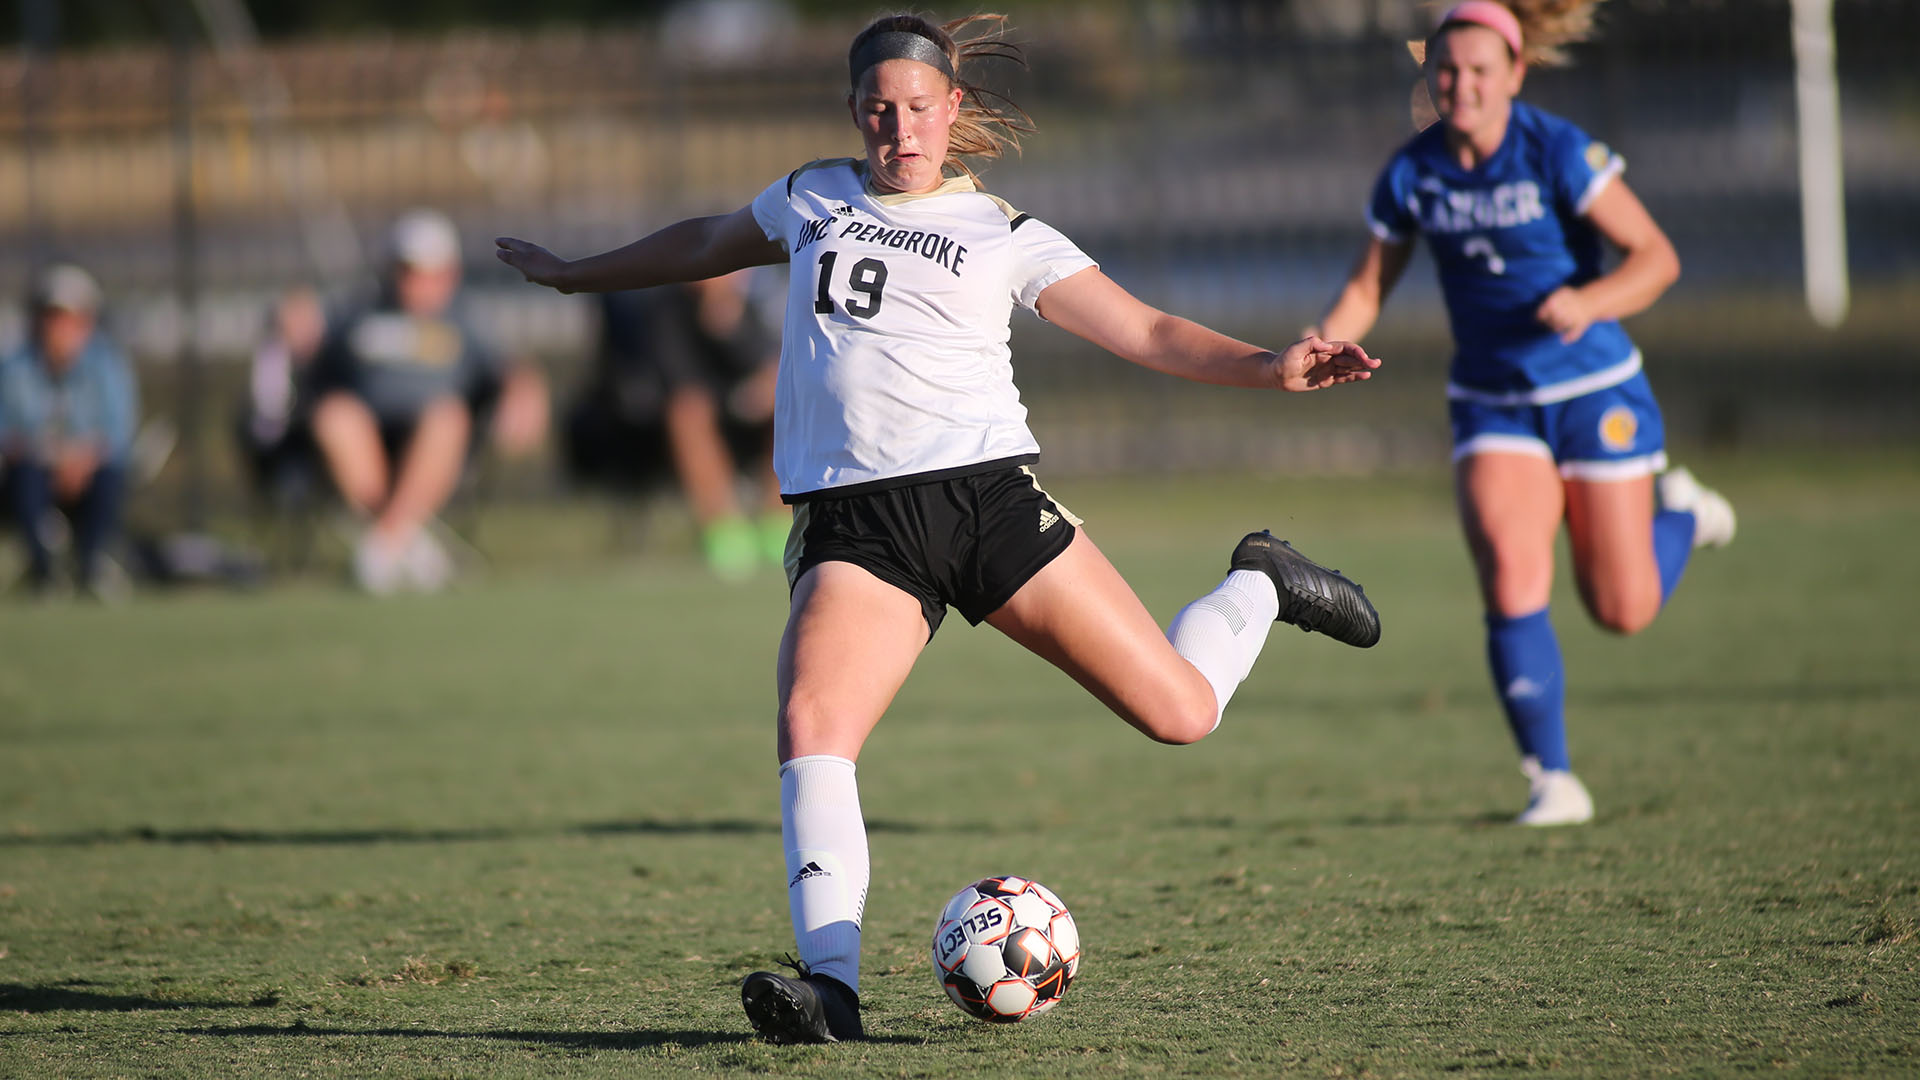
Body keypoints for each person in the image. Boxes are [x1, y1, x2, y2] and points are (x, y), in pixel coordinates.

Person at [498, 13, 1382, 1044]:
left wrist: (1268, 364)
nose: (899, 130)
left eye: (919, 108)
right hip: (858, 525)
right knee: (813, 729)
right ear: (854, 112)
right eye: (879, 110)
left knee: (1182, 713)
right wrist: (575, 272)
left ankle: (1262, 581)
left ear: (951, 110)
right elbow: (700, 243)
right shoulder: (809, 196)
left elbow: (1143, 328)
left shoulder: (1005, 231)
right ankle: (830, 990)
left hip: (987, 503)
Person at [1309, 1, 1735, 827]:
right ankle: (1554, 780)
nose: (1459, 85)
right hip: (1493, 403)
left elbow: (1657, 259)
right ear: (1429, 74)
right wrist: (1327, 343)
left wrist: (1590, 299)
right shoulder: (1413, 172)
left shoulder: (1557, 149)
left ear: (1514, 73)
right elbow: (1368, 286)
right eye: (1445, 69)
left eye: (1477, 71)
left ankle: (1680, 513)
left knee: (1622, 609)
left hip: (1595, 393)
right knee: (1509, 569)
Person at [308, 209, 549, 594]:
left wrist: (524, 395)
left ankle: (382, 545)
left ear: (449, 273)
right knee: (336, 415)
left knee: (446, 415)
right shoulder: (359, 311)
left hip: (439, 443)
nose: (415, 282)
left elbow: (510, 368)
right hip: (369, 433)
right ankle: (401, 541)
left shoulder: (467, 320)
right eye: (407, 270)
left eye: (427, 271)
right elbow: (313, 350)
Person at [564, 271, 787, 579]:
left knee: (785, 399)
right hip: (672, 425)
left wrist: (729, 328)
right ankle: (725, 532)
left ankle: (778, 524)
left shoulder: (755, 304)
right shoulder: (666, 310)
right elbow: (679, 383)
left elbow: (768, 366)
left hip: (747, 418)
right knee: (689, 411)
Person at [0, 263, 139, 599]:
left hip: (91, 470)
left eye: (68, 319)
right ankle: (45, 571)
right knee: (27, 476)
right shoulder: (15, 367)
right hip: (33, 469)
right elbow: (7, 431)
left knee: (111, 473)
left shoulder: (107, 365)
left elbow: (119, 432)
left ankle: (91, 563)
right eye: (51, 317)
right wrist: (47, 455)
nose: (59, 329)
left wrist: (82, 459)